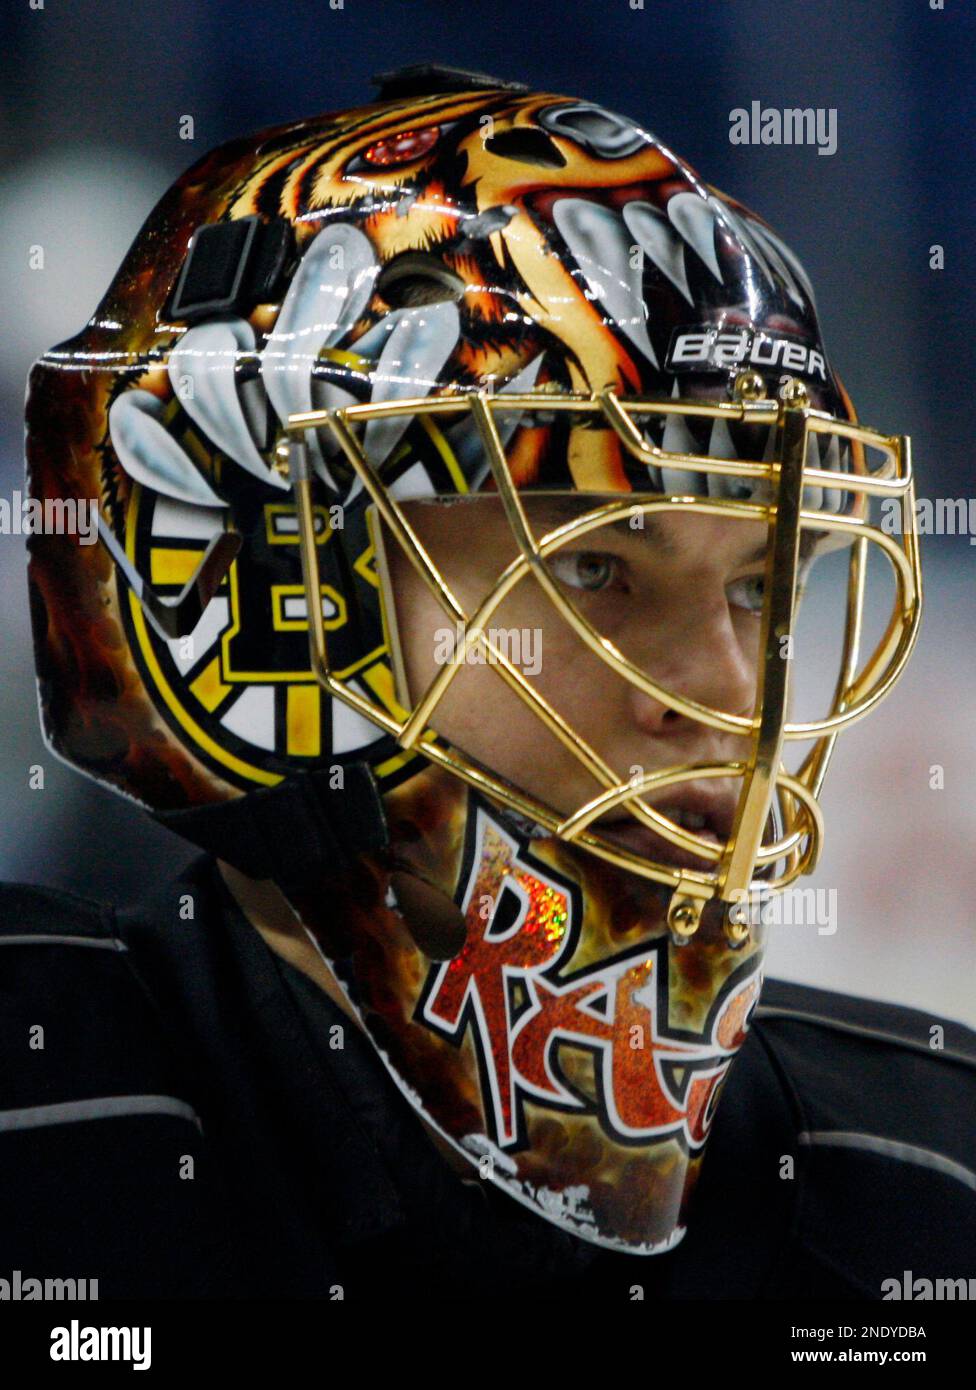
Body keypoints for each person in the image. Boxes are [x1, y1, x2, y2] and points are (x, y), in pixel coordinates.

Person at [5, 63, 973, 1301]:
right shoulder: (44, 1127)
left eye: (752, 587)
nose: (728, 698)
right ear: (264, 575)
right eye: (597, 571)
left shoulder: (924, 1194)